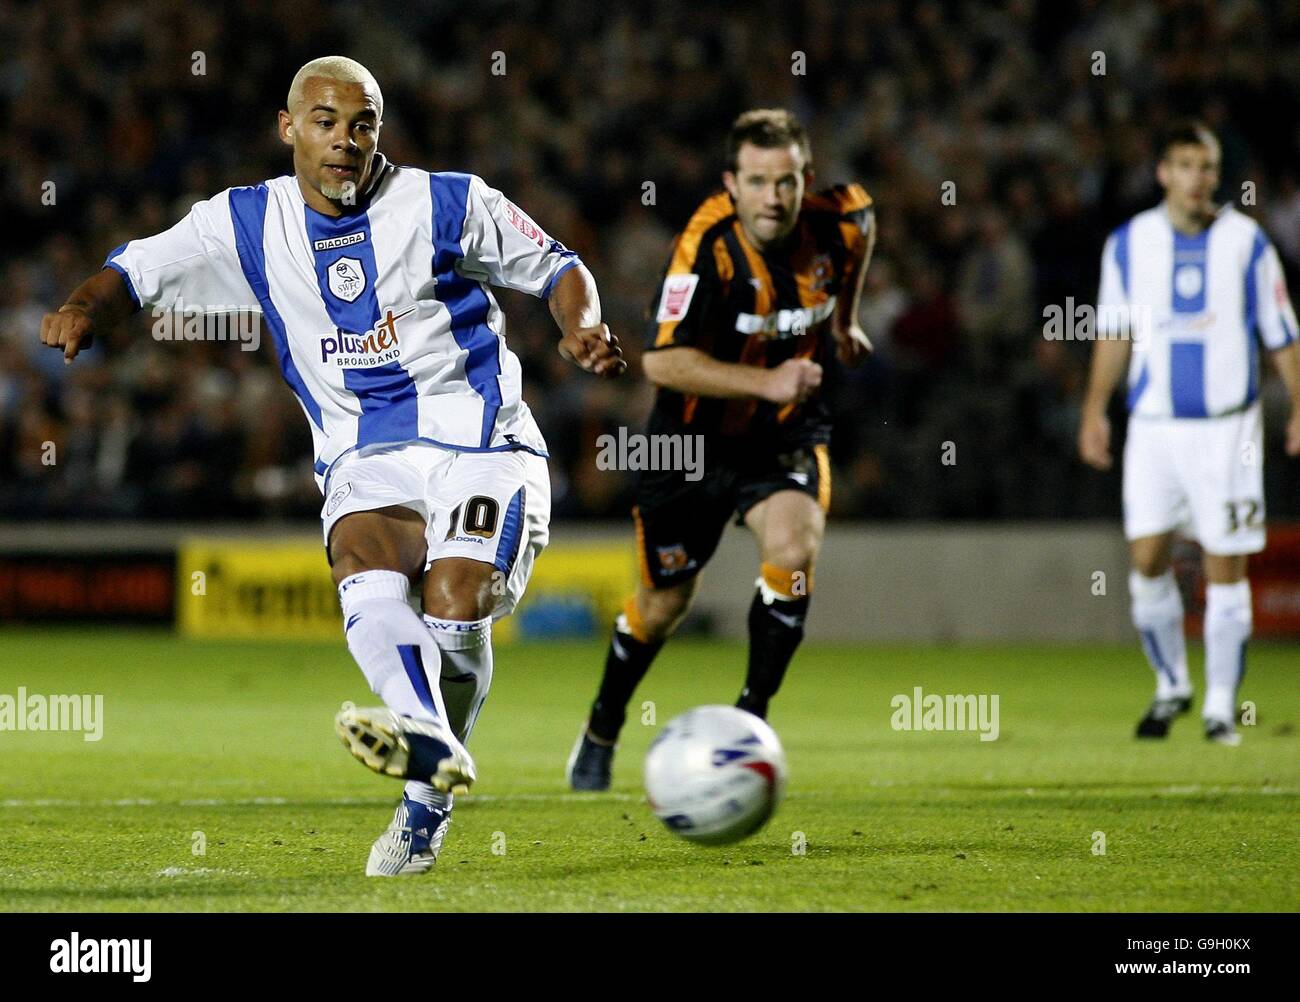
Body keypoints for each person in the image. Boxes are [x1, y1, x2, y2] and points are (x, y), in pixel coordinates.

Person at [39, 56, 625, 873]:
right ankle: (430, 742)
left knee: (457, 603)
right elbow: (135, 270)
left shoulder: (448, 200)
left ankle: (424, 798)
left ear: (378, 130)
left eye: (363, 124)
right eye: (325, 122)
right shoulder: (244, 221)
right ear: (289, 128)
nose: (345, 141)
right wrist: (81, 307)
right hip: (364, 455)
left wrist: (580, 326)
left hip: (483, 443)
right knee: (362, 556)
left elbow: (561, 267)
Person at [567, 108, 874, 790]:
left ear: (806, 180)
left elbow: (864, 231)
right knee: (662, 605)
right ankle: (601, 727)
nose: (775, 197)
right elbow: (663, 364)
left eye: (787, 181)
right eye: (759, 181)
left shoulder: (843, 219)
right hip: (686, 446)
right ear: (732, 184)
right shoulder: (704, 247)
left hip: (783, 434)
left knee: (793, 551)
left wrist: (846, 322)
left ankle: (750, 721)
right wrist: (768, 380)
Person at [1079, 120, 1300, 746]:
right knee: (1147, 560)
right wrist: (1094, 410)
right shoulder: (1128, 243)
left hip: (1228, 430)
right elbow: (1114, 334)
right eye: (1185, 165)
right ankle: (1172, 682)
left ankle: (1221, 708)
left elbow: (1281, 331)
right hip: (1153, 430)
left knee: (1224, 565)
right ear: (1163, 173)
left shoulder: (1246, 242)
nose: (1198, 178)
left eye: (1207, 166)